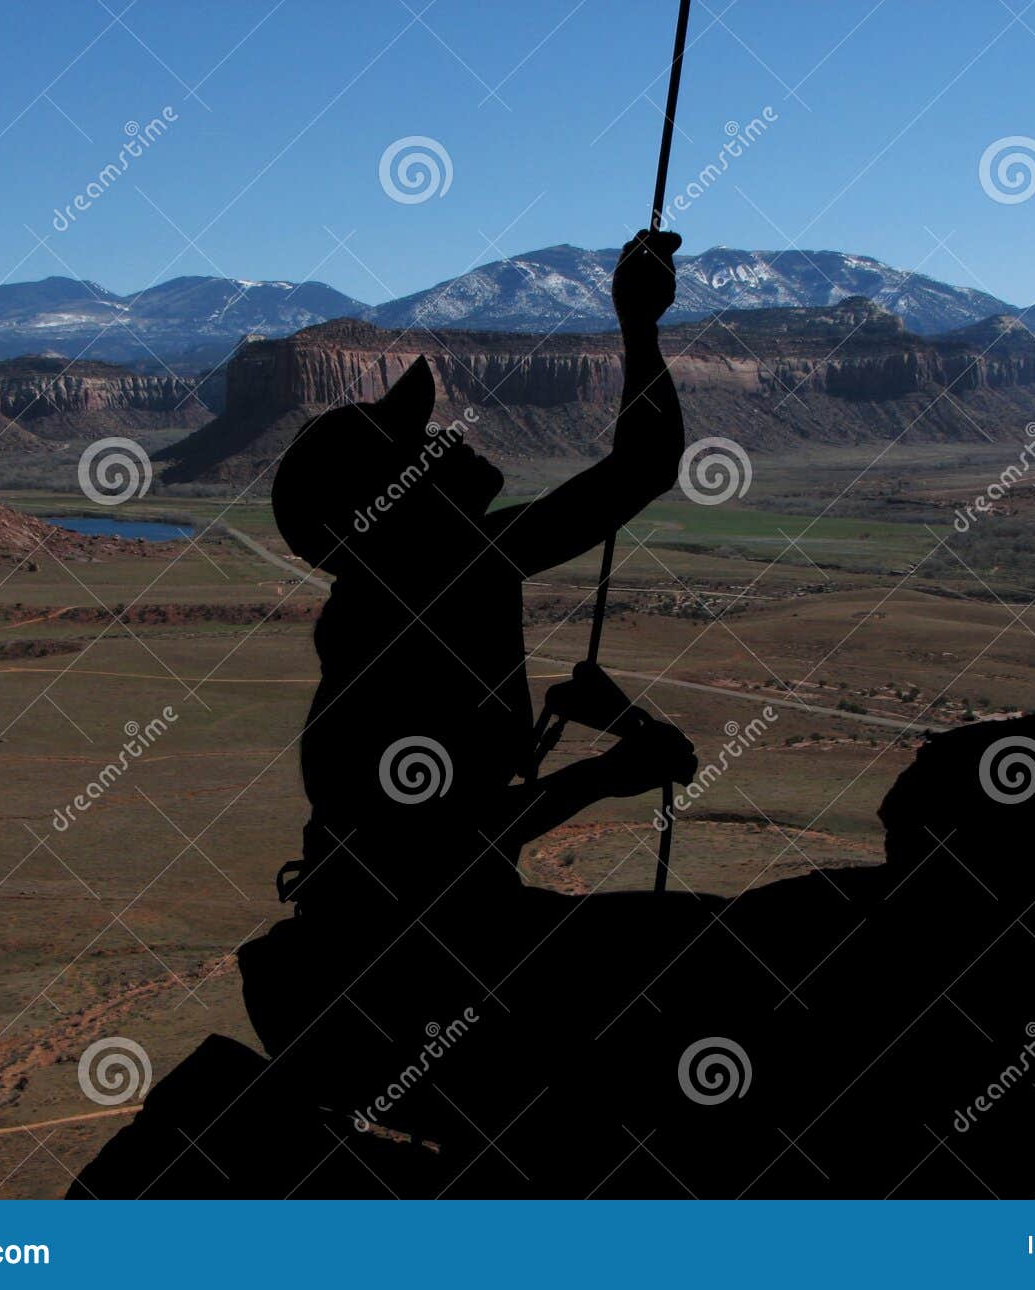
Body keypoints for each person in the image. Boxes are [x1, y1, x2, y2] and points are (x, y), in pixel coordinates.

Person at [240, 231, 701, 1134]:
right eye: (417, 446)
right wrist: (637, 325)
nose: (449, 442)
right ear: (390, 505)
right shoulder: (435, 585)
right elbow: (445, 849)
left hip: (420, 956)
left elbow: (441, 818)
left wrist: (584, 744)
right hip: (421, 977)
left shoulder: (430, 581)